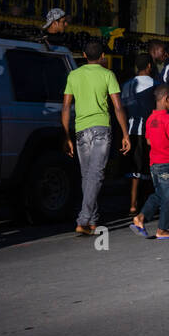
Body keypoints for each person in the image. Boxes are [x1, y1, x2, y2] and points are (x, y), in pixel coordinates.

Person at [61, 41, 132, 235]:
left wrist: (66, 135)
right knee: (96, 174)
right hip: (101, 128)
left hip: (80, 130)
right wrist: (125, 133)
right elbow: (118, 107)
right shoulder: (108, 74)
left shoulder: (73, 75)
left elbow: (66, 107)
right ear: (102, 56)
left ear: (84, 54)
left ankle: (92, 220)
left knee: (89, 175)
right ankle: (83, 218)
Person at [129, 85, 169, 239]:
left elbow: (148, 140)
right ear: (166, 99)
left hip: (154, 163)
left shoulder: (150, 119)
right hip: (168, 162)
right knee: (168, 198)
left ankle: (140, 218)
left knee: (160, 194)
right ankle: (162, 229)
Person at [121, 53, 156, 213]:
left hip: (130, 129)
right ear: (149, 66)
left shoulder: (127, 85)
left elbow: (122, 107)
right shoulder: (155, 84)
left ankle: (132, 203)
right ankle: (148, 203)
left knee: (134, 169)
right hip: (148, 130)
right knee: (148, 168)